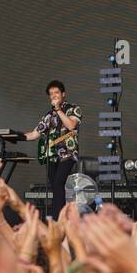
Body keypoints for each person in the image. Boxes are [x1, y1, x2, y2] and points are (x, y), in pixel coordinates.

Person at [24, 80, 82, 219]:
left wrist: (58, 110)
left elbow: (71, 126)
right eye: (51, 94)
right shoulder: (48, 115)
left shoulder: (74, 109)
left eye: (56, 92)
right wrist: (15, 136)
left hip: (67, 154)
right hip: (51, 155)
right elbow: (34, 134)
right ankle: (59, 217)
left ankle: (58, 219)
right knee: (55, 187)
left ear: (63, 94)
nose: (54, 96)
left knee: (58, 183)